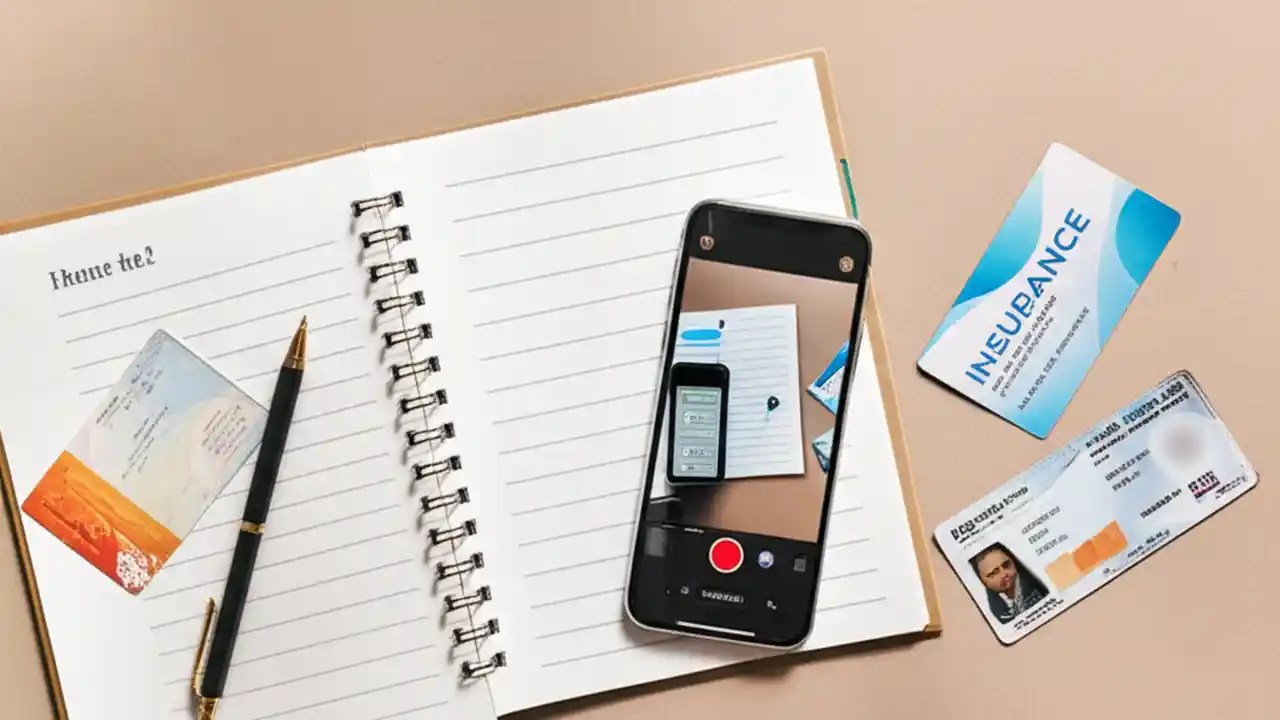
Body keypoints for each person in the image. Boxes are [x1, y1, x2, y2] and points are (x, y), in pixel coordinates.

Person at [969, 542, 1048, 624]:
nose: (1004, 574)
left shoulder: (1037, 581)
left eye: (1006, 565)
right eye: (994, 573)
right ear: (983, 581)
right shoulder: (991, 606)